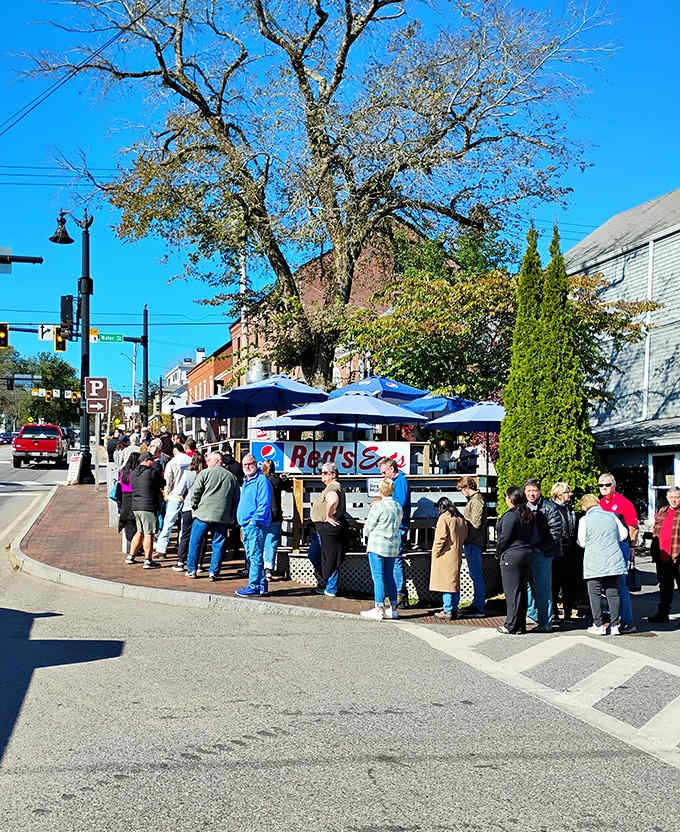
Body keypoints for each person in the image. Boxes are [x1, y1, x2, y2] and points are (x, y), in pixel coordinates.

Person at [496, 487, 548, 635]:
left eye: (507, 497)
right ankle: (520, 625)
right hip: (526, 553)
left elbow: (504, 538)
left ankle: (510, 624)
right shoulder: (528, 514)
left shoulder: (510, 515)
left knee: (512, 592)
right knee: (522, 591)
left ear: (511, 499)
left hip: (512, 555)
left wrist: (498, 552)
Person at [578, 493, 628, 635]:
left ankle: (598, 624)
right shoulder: (612, 516)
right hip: (613, 559)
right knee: (613, 592)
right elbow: (623, 535)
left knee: (594, 593)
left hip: (594, 560)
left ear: (584, 506)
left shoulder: (584, 520)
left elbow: (582, 542)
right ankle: (615, 625)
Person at [186, 451, 238, 580]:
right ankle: (214, 572)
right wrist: (232, 515)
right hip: (222, 516)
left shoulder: (205, 473)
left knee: (195, 543)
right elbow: (236, 498)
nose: (207, 462)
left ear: (216, 461)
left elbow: (195, 492)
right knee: (218, 544)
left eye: (209, 460)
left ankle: (192, 569)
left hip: (202, 514)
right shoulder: (231, 477)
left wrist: (194, 505)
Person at [598, 473, 638, 634]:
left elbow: (633, 527)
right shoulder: (600, 503)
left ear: (614, 486)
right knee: (607, 586)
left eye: (607, 484)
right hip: (604, 549)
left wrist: (632, 547)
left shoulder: (624, 503)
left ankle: (627, 622)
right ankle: (613, 619)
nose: (604, 488)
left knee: (621, 586)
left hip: (620, 547)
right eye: (601, 485)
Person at [360, 478, 403, 621]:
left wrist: (365, 533)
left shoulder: (378, 506)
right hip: (392, 545)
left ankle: (379, 608)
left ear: (380, 491)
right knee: (389, 576)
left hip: (377, 544)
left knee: (378, 577)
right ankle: (393, 608)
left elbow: (369, 526)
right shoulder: (398, 506)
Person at [524, 478, 561, 632]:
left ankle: (546, 621)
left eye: (534, 490)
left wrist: (541, 548)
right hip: (526, 552)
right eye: (528, 491)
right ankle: (533, 615)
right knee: (527, 586)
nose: (531, 494)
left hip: (543, 553)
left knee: (543, 588)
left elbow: (556, 531)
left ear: (539, 491)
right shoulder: (522, 506)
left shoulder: (549, 507)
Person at [235, 454, 273, 596]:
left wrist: (254, 520)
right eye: (245, 464)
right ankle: (262, 585)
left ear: (256, 464)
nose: (248, 467)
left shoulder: (261, 481)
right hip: (246, 524)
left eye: (250, 464)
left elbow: (264, 504)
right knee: (252, 556)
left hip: (255, 525)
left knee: (255, 556)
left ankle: (254, 586)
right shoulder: (246, 481)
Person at [309, 462, 346, 597]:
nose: (322, 476)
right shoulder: (331, 487)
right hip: (321, 528)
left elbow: (333, 500)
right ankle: (327, 582)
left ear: (333, 474)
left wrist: (329, 515)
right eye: (322, 473)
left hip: (327, 528)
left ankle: (331, 588)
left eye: (325, 473)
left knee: (330, 558)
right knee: (318, 555)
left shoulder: (333, 487)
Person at [379, 457, 411, 607]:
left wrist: (383, 503)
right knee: (393, 558)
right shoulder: (397, 481)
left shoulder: (401, 481)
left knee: (396, 559)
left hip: (399, 526)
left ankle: (399, 593)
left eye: (384, 472)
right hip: (396, 525)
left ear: (392, 469)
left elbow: (400, 502)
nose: (383, 475)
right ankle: (398, 593)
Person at [429, 497, 468, 620]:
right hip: (457, 553)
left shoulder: (444, 518)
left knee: (446, 584)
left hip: (445, 554)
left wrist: (435, 552)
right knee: (454, 582)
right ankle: (454, 608)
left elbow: (440, 538)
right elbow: (465, 535)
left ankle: (447, 609)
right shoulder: (460, 518)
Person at [127, 451, 165, 568]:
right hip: (148, 506)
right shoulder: (151, 472)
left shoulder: (133, 473)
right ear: (146, 460)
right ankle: (148, 560)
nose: (153, 462)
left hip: (136, 506)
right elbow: (162, 483)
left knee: (140, 531)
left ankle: (131, 556)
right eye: (151, 460)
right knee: (149, 533)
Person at [649, 487, 680, 625]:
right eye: (672, 497)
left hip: (678, 555)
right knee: (664, 587)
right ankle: (662, 614)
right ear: (667, 498)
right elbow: (655, 531)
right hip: (662, 556)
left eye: (677, 497)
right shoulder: (662, 511)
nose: (674, 500)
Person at [550, 481, 581, 622]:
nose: (569, 494)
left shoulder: (570, 509)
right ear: (558, 494)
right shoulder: (551, 509)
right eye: (566, 492)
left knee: (569, 584)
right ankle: (554, 613)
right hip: (556, 551)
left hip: (570, 551)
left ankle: (568, 613)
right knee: (555, 584)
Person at [457, 476, 487, 617]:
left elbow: (476, 523)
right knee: (474, 574)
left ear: (466, 487)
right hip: (472, 541)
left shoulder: (476, 500)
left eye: (461, 489)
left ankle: (479, 606)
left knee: (476, 575)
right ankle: (477, 603)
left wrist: (465, 532)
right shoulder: (474, 500)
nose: (461, 492)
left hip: (473, 542)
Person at [171, 452, 207, 572]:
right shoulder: (206, 474)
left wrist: (183, 497)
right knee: (202, 537)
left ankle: (181, 561)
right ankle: (199, 563)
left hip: (188, 507)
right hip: (202, 509)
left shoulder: (187, 474)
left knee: (185, 535)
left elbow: (179, 491)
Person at [155, 443, 191, 557]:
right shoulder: (190, 460)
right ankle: (182, 547)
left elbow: (168, 480)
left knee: (168, 523)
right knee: (184, 525)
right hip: (188, 496)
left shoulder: (172, 463)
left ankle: (161, 548)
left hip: (174, 495)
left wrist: (167, 494)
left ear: (175, 451)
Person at [261, 459, 292, 581]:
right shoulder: (277, 480)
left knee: (261, 542)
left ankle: (259, 567)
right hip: (276, 514)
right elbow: (287, 486)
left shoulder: (261, 480)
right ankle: (268, 568)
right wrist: (286, 479)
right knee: (272, 543)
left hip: (263, 515)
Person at [117, 451, 140, 549]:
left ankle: (131, 541)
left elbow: (119, 483)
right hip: (135, 496)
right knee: (136, 521)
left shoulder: (123, 471)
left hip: (125, 497)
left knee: (128, 521)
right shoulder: (137, 473)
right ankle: (137, 545)